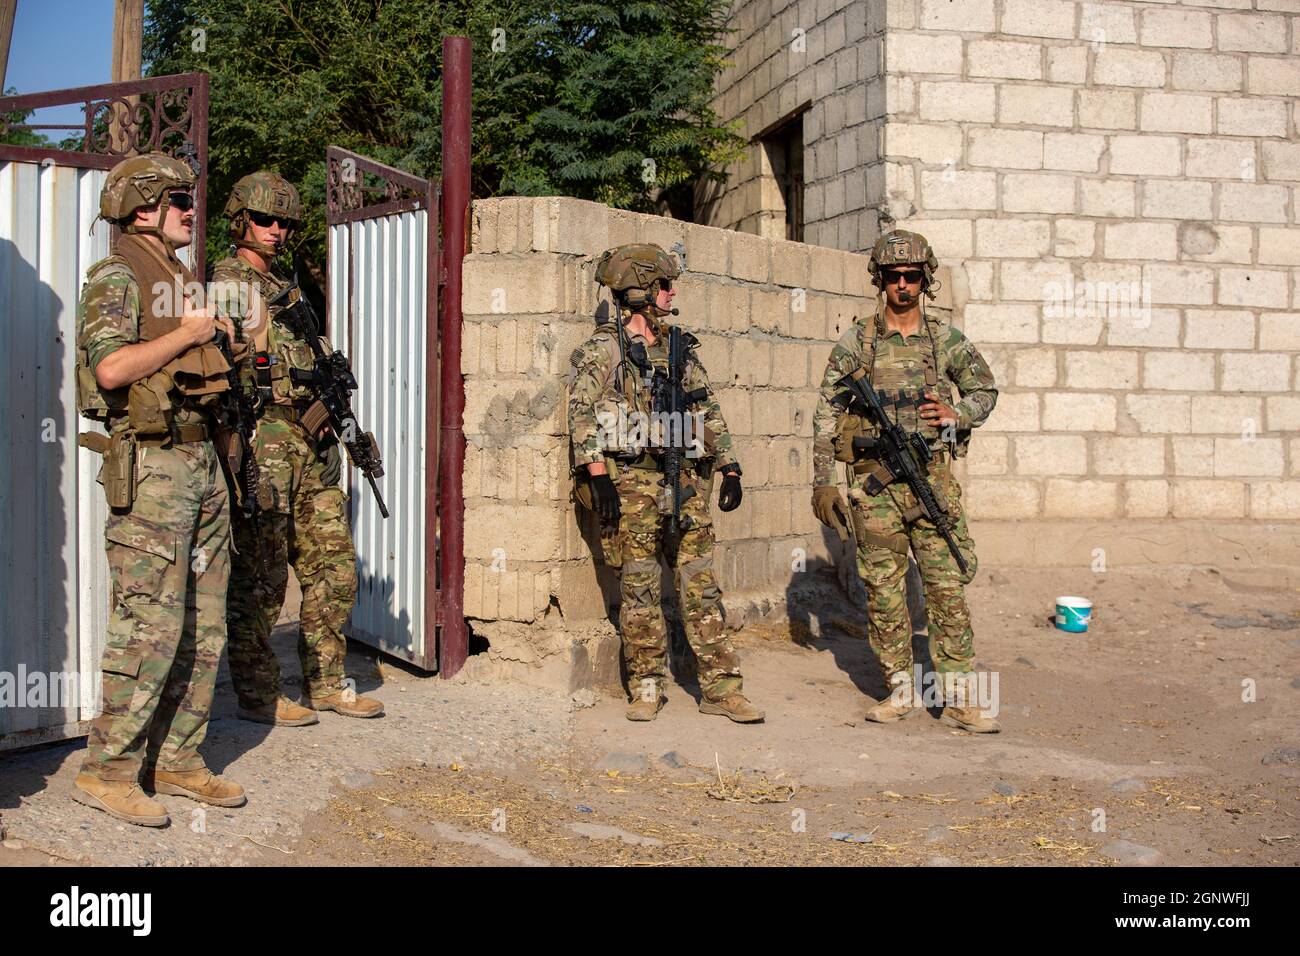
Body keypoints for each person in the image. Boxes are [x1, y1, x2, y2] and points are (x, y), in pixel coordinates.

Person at [72, 153, 246, 826]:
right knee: (148, 625)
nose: (189, 210)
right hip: (154, 470)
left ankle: (176, 758)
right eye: (178, 200)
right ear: (143, 209)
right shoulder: (117, 275)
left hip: (202, 465)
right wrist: (190, 333)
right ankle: (107, 770)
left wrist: (214, 334)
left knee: (204, 625)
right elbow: (113, 367)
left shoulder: (176, 276)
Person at [810, 229, 1001, 732]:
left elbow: (986, 389)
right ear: (880, 279)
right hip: (875, 490)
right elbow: (827, 413)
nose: (902, 286)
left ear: (925, 280)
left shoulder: (945, 341)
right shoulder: (858, 342)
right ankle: (899, 688)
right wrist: (824, 481)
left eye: (912, 276)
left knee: (946, 588)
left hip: (932, 484)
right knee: (884, 592)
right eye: (893, 276)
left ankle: (958, 696)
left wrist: (956, 414)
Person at [211, 171, 382, 724]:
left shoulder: (288, 288)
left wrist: (346, 430)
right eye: (265, 220)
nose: (276, 230)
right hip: (264, 443)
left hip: (312, 446)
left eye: (285, 222)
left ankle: (327, 681)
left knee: (334, 566)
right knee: (262, 579)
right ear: (241, 220)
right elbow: (219, 368)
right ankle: (259, 694)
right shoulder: (227, 286)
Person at [567, 243, 763, 723]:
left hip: (686, 484)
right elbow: (581, 414)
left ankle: (721, 690)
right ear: (640, 289)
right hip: (632, 485)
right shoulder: (605, 349)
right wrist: (598, 477)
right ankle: (647, 686)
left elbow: (708, 409)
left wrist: (731, 469)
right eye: (664, 285)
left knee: (701, 586)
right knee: (639, 589)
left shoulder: (679, 346)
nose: (672, 293)